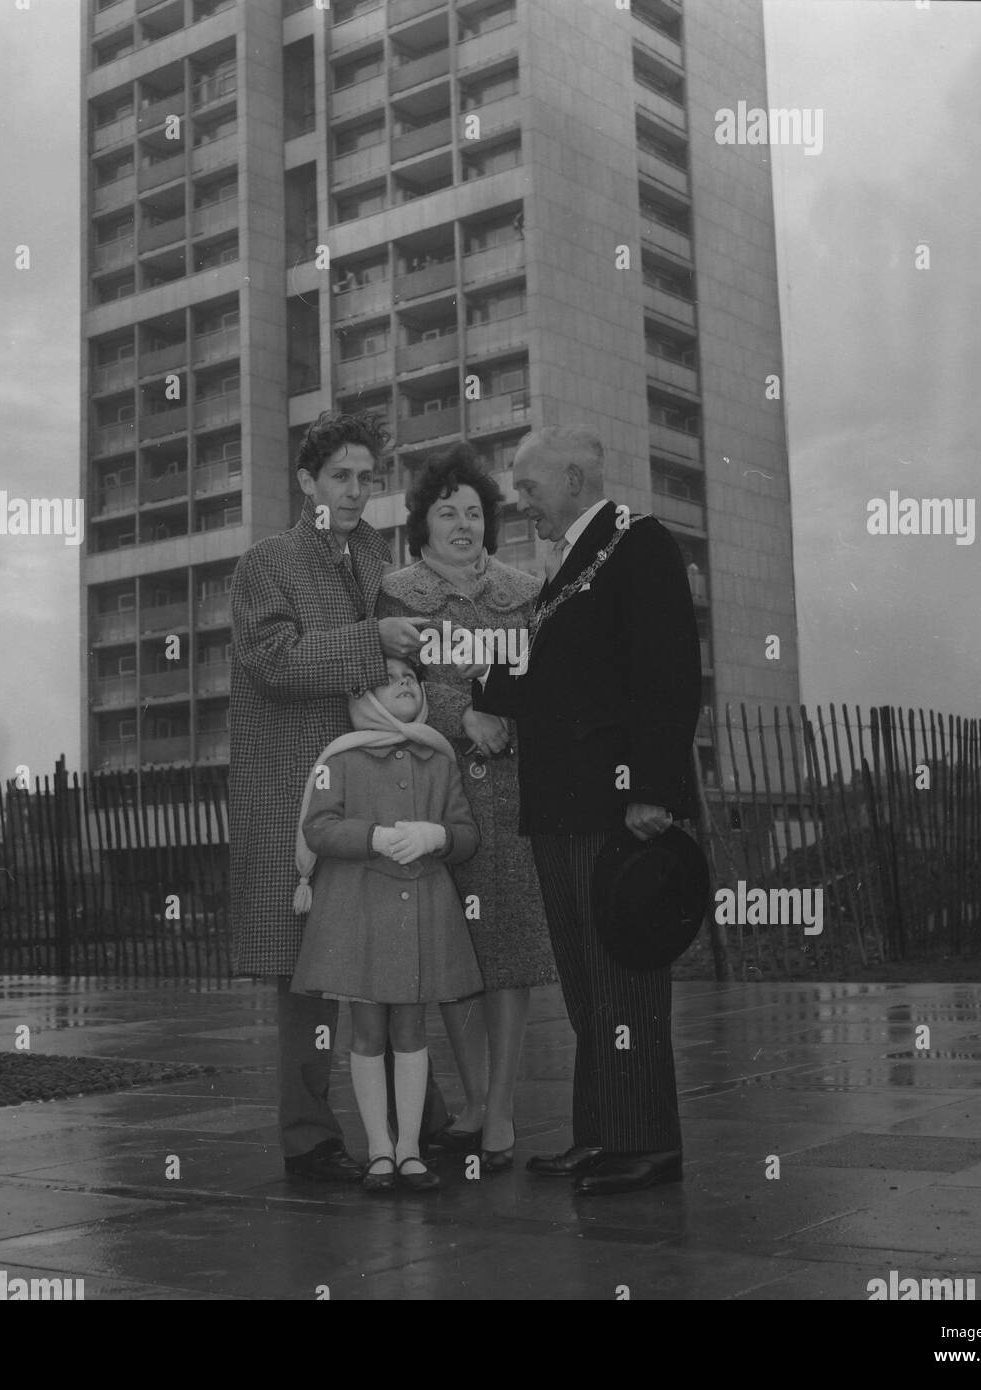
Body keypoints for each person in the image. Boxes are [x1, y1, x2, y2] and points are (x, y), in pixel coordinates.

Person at [472, 425, 702, 1196]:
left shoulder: (639, 544)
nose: (519, 503)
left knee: (623, 975)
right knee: (585, 980)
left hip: (614, 807)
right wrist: (476, 690)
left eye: (528, 488)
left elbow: (670, 673)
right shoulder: (572, 560)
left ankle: (645, 1141)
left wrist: (654, 791)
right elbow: (556, 679)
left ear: (572, 478)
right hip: (562, 810)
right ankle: (600, 1134)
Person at [228, 410, 443, 1183]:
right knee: (306, 971)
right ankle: (308, 1136)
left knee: (392, 943)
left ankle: (422, 1118)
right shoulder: (267, 562)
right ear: (307, 482)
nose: (356, 491)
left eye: (366, 478)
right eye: (341, 477)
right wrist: (371, 642)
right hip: (296, 785)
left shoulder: (376, 554)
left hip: (376, 783)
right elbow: (272, 662)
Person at [379, 445, 554, 1171]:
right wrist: (464, 714)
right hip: (436, 786)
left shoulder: (526, 589)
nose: (462, 523)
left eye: (474, 512)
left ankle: (502, 1111)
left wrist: (511, 716)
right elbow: (392, 685)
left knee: (509, 948)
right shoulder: (397, 593)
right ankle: (475, 1099)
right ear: (423, 524)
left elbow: (547, 674)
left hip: (513, 790)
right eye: (447, 511)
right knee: (453, 950)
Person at [289, 658, 483, 1192]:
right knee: (368, 1030)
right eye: (389, 676)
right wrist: (373, 836)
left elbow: (466, 834)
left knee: (413, 1028)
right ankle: (378, 1149)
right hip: (360, 913)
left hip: (421, 910)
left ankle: (410, 1150)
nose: (405, 683)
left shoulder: (439, 759)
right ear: (363, 695)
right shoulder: (341, 759)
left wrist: (435, 836)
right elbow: (318, 827)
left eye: (411, 678)